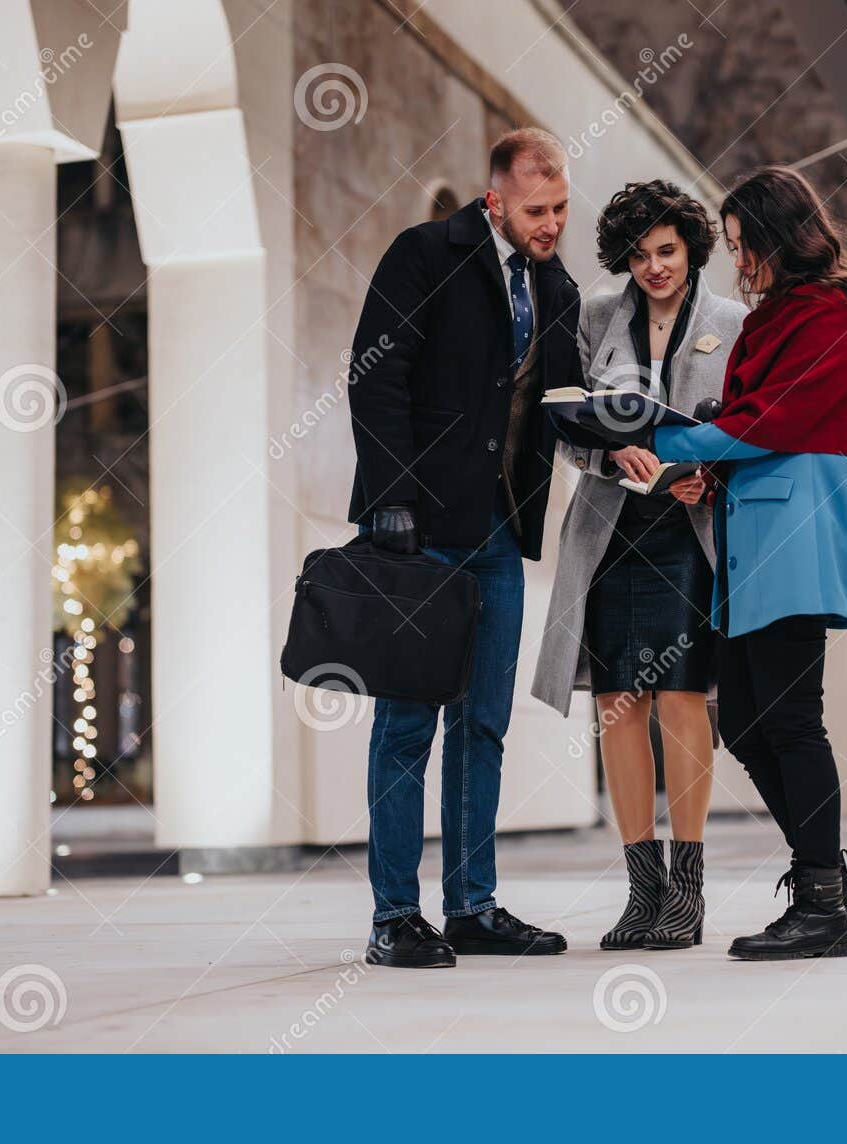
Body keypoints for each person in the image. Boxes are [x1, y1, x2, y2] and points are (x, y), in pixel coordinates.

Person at [345, 128, 579, 968]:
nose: (550, 223)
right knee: (406, 723)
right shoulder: (425, 254)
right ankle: (394, 919)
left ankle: (472, 906)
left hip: (497, 536)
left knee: (482, 724)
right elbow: (376, 378)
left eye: (559, 208)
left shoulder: (557, 288)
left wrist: (630, 443)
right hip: (419, 531)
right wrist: (392, 499)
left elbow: (564, 400)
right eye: (535, 210)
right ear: (495, 202)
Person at [650, 166, 847, 960]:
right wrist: (708, 466)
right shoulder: (775, 317)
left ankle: (820, 903)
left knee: (789, 719)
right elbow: (752, 423)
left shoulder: (829, 314)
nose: (740, 264)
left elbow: (776, 420)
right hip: (757, 533)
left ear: (783, 239)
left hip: (801, 532)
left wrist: (665, 439)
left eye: (747, 247)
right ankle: (835, 893)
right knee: (747, 720)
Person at [531, 180, 745, 950]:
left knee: (684, 697)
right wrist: (610, 452)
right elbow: (562, 421)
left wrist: (706, 470)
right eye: (639, 254)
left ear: (691, 248)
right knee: (617, 702)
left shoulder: (733, 323)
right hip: (613, 527)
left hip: (689, 530)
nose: (654, 266)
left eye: (666, 250)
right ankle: (640, 891)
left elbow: (750, 426)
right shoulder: (594, 316)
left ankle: (686, 895)